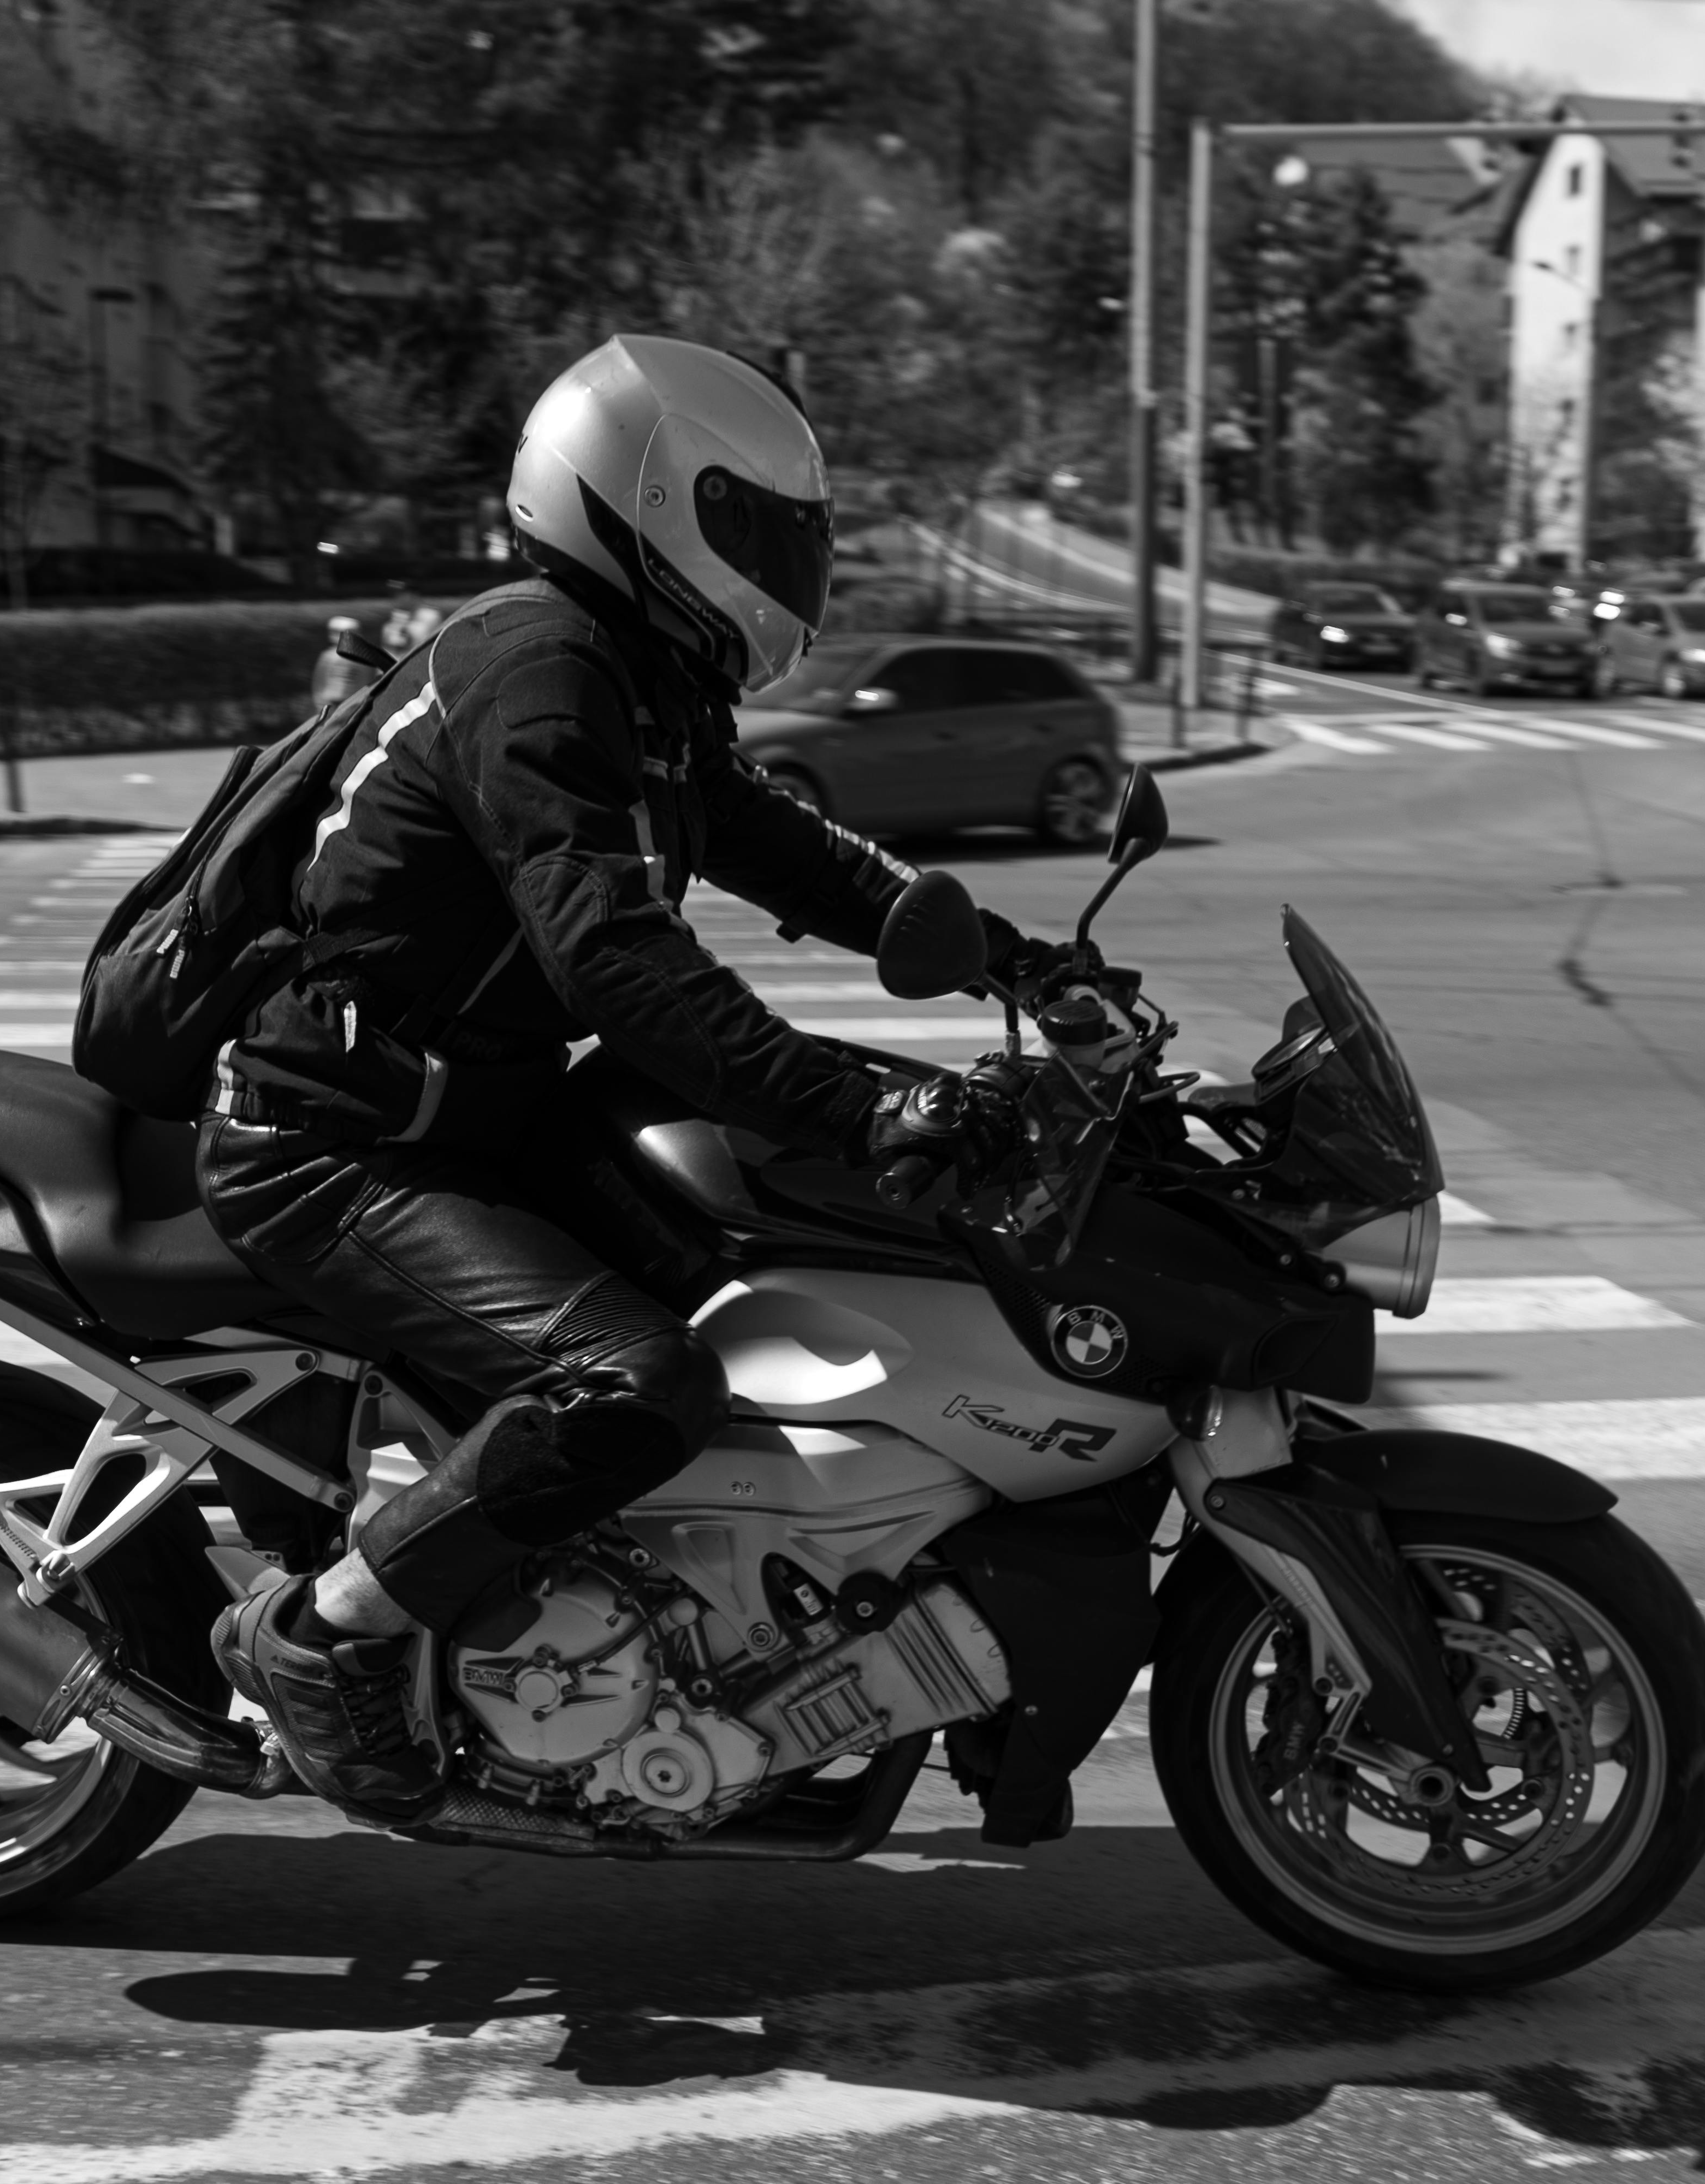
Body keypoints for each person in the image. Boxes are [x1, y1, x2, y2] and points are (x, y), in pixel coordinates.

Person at [198, 334, 1063, 1819]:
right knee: (638, 1380)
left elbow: (795, 851)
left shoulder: (640, 686)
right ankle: (323, 1637)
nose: (788, 564)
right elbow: (619, 961)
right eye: (759, 531)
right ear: (649, 500)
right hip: (338, 1145)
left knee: (763, 1265)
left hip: (478, 1113)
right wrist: (860, 1104)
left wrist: (1022, 964)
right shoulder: (537, 667)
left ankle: (674, 1645)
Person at [310, 615, 377, 710]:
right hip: (330, 702)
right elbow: (320, 681)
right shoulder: (328, 657)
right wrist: (320, 702)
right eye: (336, 633)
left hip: (353, 702)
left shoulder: (363, 658)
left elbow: (367, 681)